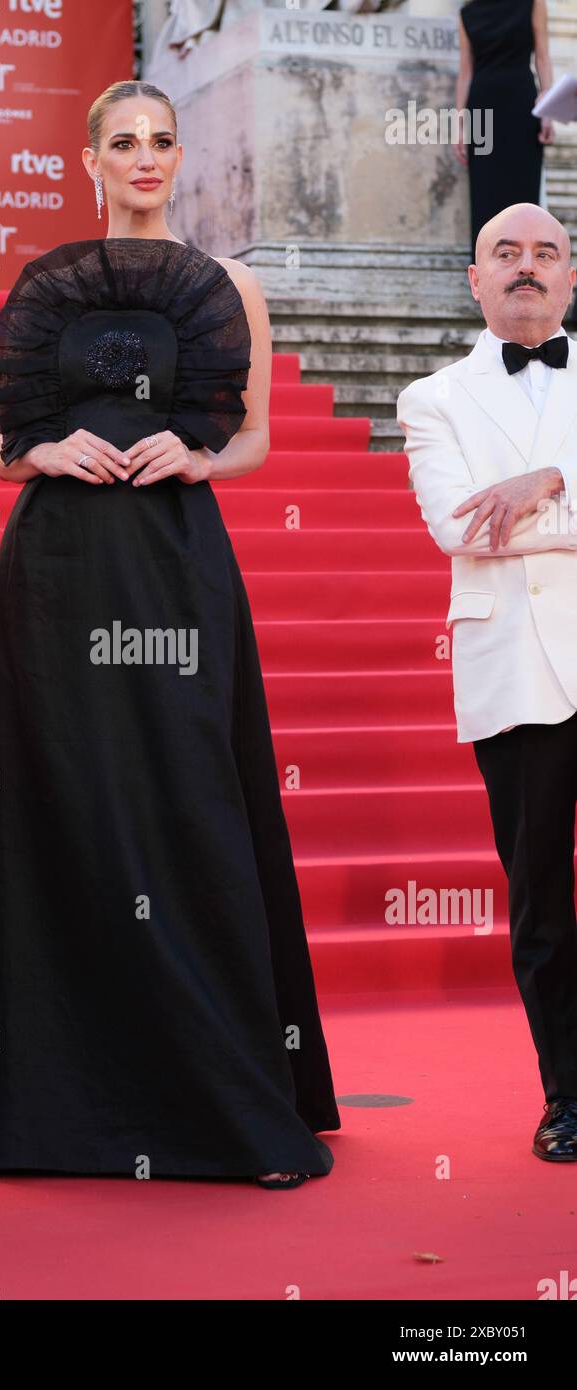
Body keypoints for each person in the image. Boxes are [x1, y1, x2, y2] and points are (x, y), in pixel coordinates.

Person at [0, 80, 339, 1189]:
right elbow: (1, 447)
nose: (143, 157)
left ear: (179, 159)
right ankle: (62, 1102)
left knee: (190, 800)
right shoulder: (48, 288)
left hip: (175, 567)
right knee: (65, 801)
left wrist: (194, 455)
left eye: (161, 142)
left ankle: (218, 1091)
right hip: (58, 571)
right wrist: (42, 454)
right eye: (122, 141)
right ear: (88, 157)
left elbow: (255, 439)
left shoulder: (229, 287)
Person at [397, 202, 577, 1163]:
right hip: (514, 669)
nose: (525, 267)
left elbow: (510, 516)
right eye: (504, 253)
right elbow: (457, 529)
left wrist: (547, 480)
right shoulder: (434, 398)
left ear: (571, 276)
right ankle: (568, 1095)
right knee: (541, 897)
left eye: (545, 253)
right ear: (474, 279)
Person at [456, 1, 554, 255]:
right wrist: (458, 125)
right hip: (482, 110)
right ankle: (486, 283)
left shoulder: (533, 2)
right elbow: (465, 72)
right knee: (484, 199)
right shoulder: (467, 13)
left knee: (523, 198)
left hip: (521, 108)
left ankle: (526, 273)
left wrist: (548, 110)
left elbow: (543, 56)